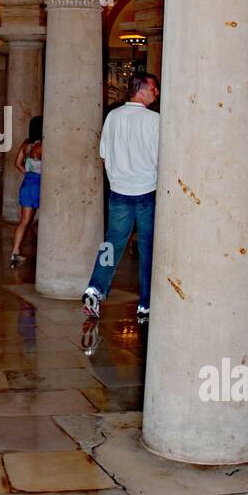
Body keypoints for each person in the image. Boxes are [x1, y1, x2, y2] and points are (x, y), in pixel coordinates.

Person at [82, 71, 160, 321]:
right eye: (153, 88)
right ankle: (146, 304)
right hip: (147, 190)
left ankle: (95, 287)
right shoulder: (154, 120)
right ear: (140, 89)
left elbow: (103, 153)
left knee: (111, 243)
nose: (156, 93)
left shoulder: (113, 117)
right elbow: (162, 157)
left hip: (118, 190)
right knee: (148, 248)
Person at [9, 115, 43, 268]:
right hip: (39, 185)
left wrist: (28, 174)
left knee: (24, 221)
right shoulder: (42, 146)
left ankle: (15, 253)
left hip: (27, 184)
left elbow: (17, 163)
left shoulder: (26, 145)